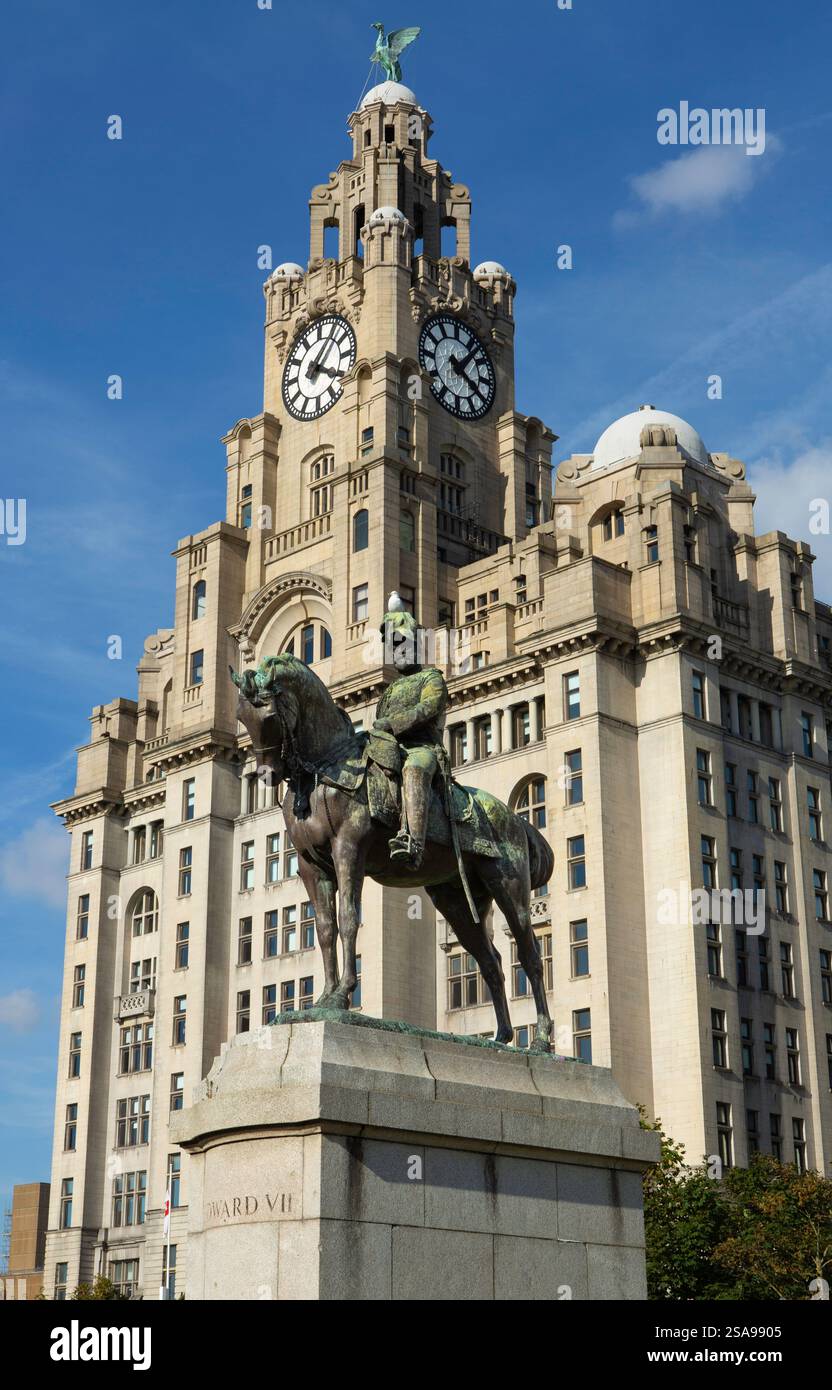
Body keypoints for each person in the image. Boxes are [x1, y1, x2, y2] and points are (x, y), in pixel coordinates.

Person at [372, 594, 449, 869]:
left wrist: (393, 725)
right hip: (390, 750)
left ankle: (413, 843)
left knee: (413, 770)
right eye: (394, 647)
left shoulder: (431, 678)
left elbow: (429, 707)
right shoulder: (389, 691)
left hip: (422, 750)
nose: (399, 651)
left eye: (404, 645)